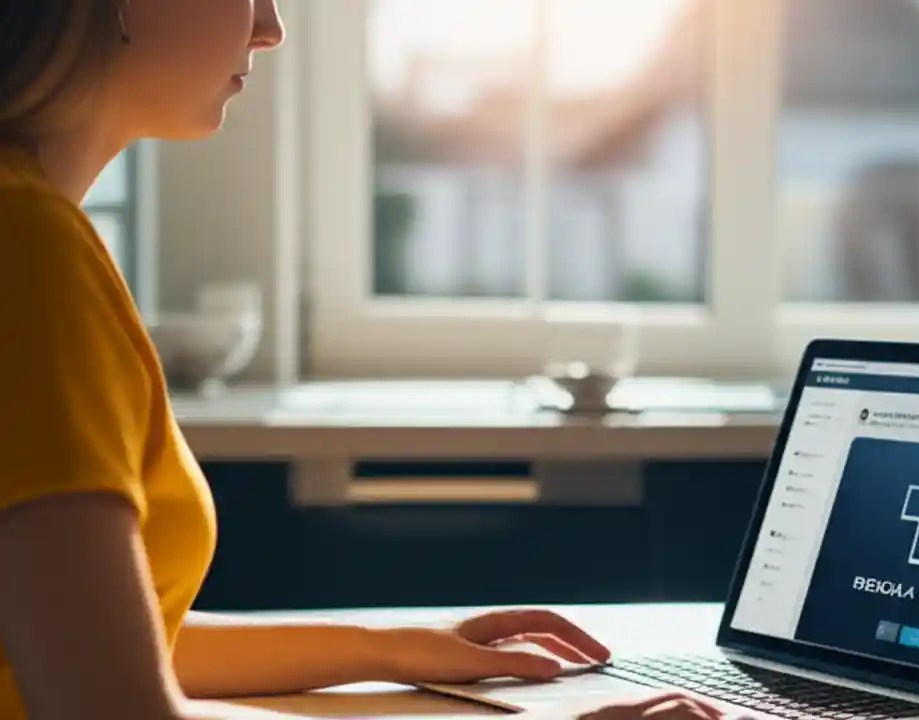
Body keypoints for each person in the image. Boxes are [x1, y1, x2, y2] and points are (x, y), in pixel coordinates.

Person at [0, 3, 725, 719]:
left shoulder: (30, 224)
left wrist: (391, 647)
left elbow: (94, 653)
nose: (270, 28)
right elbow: (113, 706)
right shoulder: (30, 249)